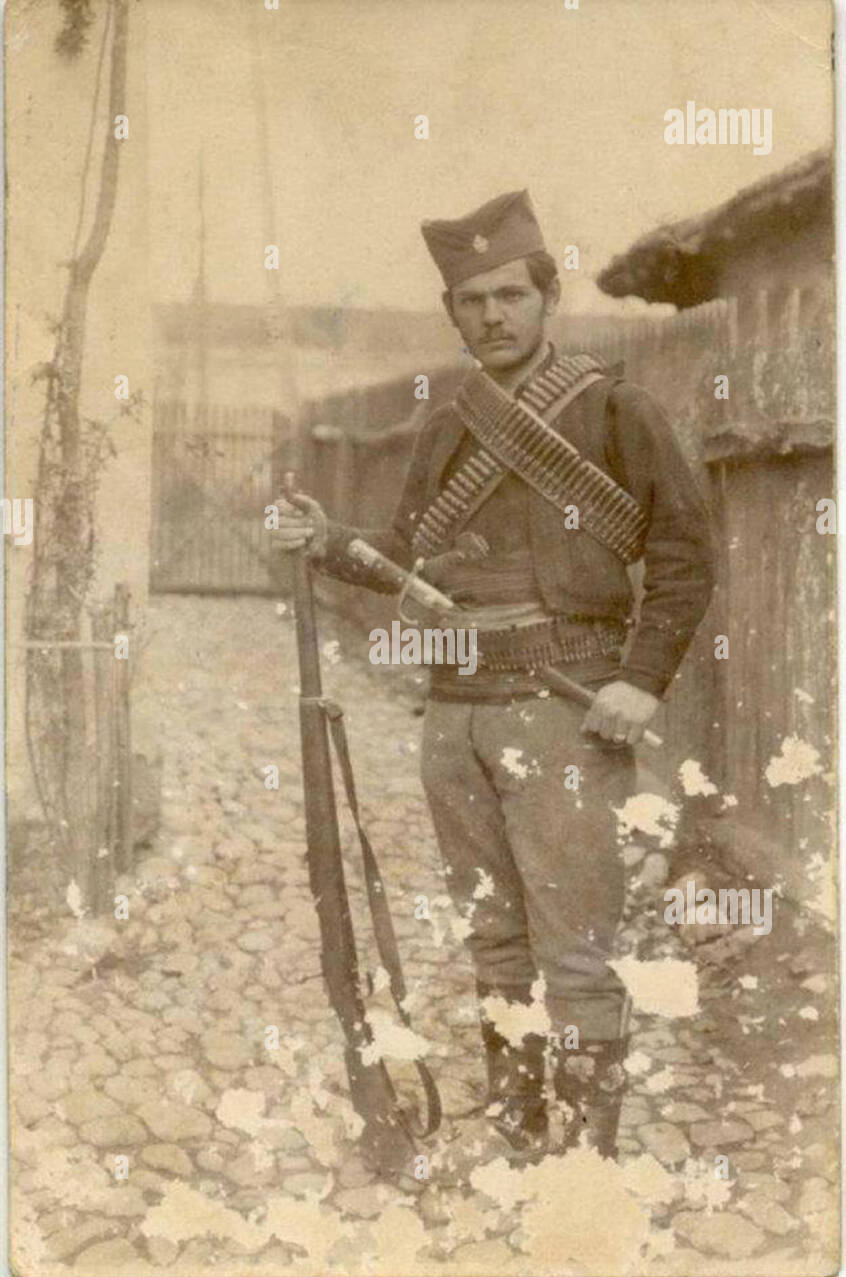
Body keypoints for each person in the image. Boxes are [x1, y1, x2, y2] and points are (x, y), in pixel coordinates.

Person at [273, 190, 714, 1159]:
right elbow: (404, 551)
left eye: (510, 294)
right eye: (470, 301)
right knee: (493, 938)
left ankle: (587, 1159)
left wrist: (643, 677)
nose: (492, 316)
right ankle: (520, 1132)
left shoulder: (614, 409)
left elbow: (686, 550)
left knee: (577, 946)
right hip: (457, 712)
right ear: (452, 314)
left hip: (566, 712)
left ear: (547, 297)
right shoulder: (447, 425)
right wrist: (328, 540)